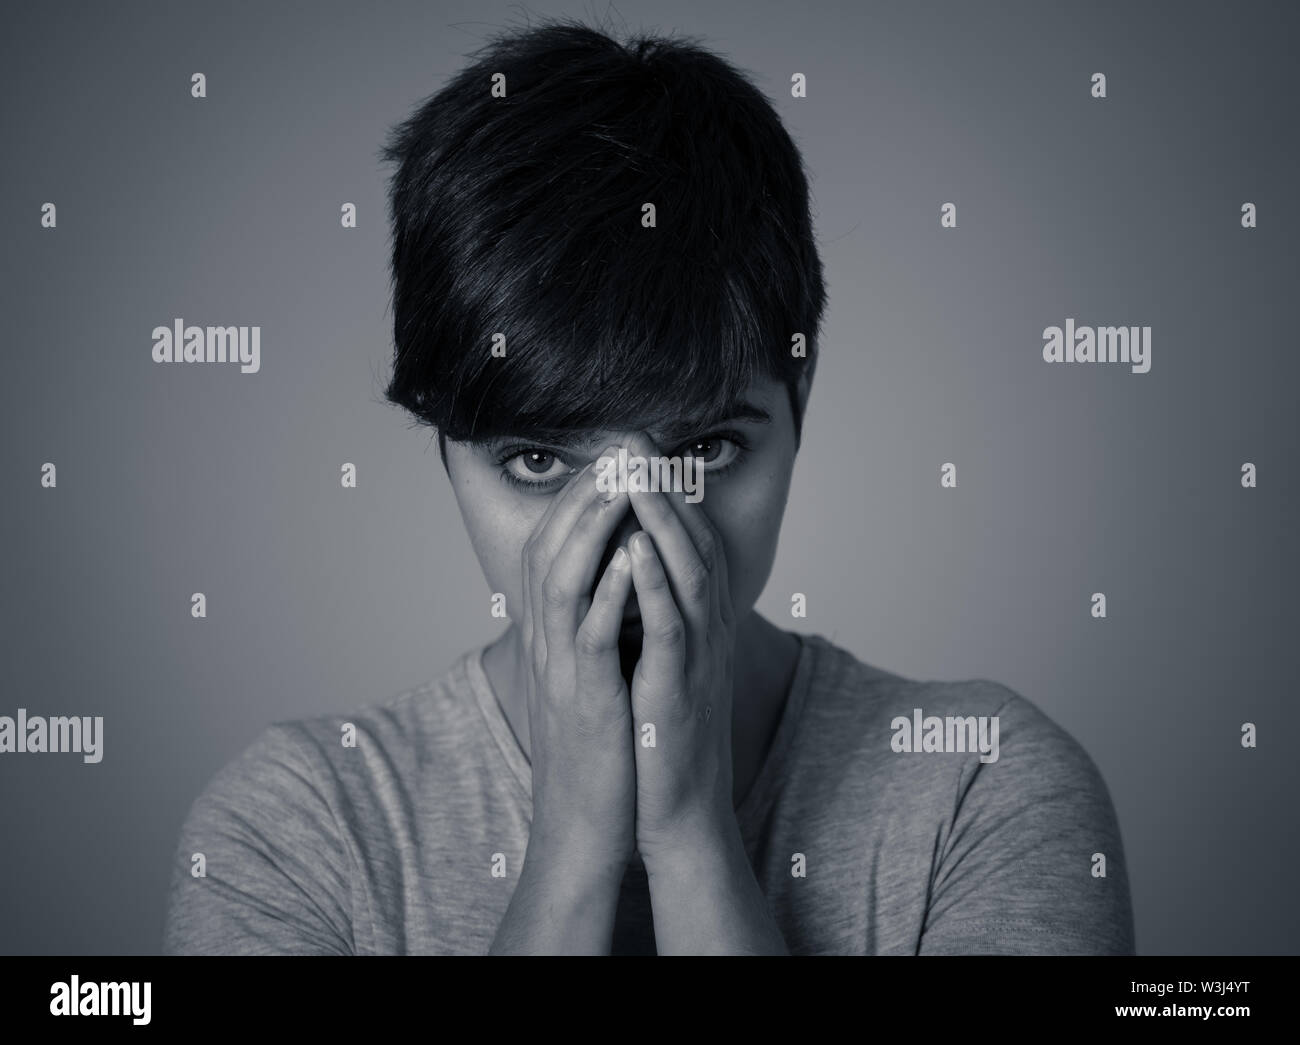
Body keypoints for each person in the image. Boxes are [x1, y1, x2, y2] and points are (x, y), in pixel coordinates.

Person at [163, 18, 1135, 955]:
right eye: (539, 460)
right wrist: (573, 850)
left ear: (799, 395)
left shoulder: (981, 786)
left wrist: (691, 836)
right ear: (444, 448)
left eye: (705, 449)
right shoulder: (296, 831)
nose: (632, 546)